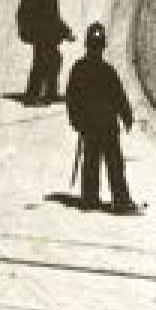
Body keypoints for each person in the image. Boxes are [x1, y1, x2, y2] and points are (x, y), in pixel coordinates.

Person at [65, 21, 144, 214]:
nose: (96, 51)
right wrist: (125, 115)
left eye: (97, 47)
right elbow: (73, 99)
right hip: (100, 125)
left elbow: (117, 95)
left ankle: (101, 198)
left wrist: (125, 115)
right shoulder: (94, 70)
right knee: (103, 161)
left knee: (109, 162)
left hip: (101, 125)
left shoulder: (84, 69)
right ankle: (106, 199)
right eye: (95, 47)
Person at [17, 0, 75, 105]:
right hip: (41, 35)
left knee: (50, 60)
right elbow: (52, 19)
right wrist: (65, 33)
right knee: (45, 62)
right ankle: (33, 96)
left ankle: (48, 93)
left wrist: (64, 32)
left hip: (40, 34)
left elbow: (52, 19)